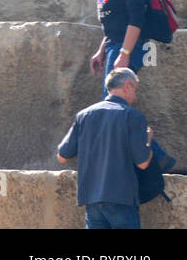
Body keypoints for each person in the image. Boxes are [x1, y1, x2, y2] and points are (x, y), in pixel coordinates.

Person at [87, 0, 175, 170]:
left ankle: (150, 155)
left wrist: (124, 54)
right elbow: (113, 23)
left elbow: (136, 19)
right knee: (114, 104)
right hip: (116, 45)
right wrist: (101, 51)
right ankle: (153, 155)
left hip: (131, 46)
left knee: (113, 104)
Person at [58, 68, 156, 229]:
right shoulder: (132, 116)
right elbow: (143, 163)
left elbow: (62, 156)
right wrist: (148, 139)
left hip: (92, 200)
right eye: (135, 90)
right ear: (127, 86)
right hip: (121, 199)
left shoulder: (83, 115)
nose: (135, 97)